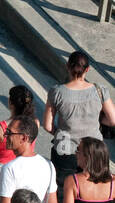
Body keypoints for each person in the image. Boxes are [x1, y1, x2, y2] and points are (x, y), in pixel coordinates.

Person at [43, 50, 115, 183]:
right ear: (87, 69)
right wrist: (98, 120)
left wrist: (60, 133)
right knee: (93, 190)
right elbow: (112, 120)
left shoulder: (56, 92)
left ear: (68, 66)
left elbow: (48, 126)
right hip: (94, 152)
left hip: (65, 150)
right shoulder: (100, 91)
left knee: (64, 192)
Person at [0, 115, 59, 203]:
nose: (5, 135)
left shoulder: (10, 168)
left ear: (24, 138)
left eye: (9, 132)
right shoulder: (49, 165)